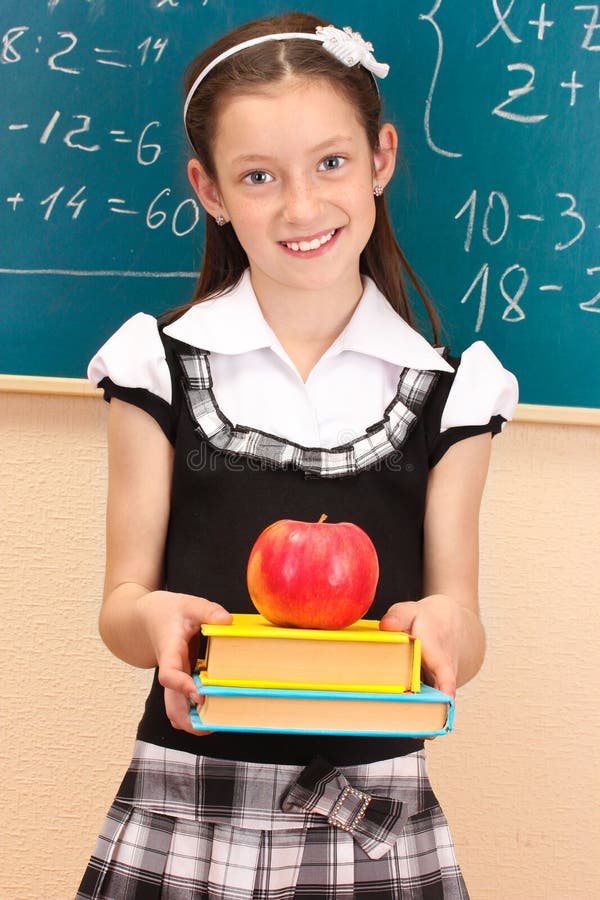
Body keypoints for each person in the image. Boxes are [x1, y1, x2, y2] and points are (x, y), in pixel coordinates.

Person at [76, 11, 518, 899]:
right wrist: (154, 621)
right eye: (258, 176)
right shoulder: (157, 364)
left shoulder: (451, 390)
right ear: (209, 189)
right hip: (186, 805)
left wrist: (448, 636)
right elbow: (120, 603)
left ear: (382, 158)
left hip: (374, 817)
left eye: (331, 163)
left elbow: (461, 620)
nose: (302, 206)